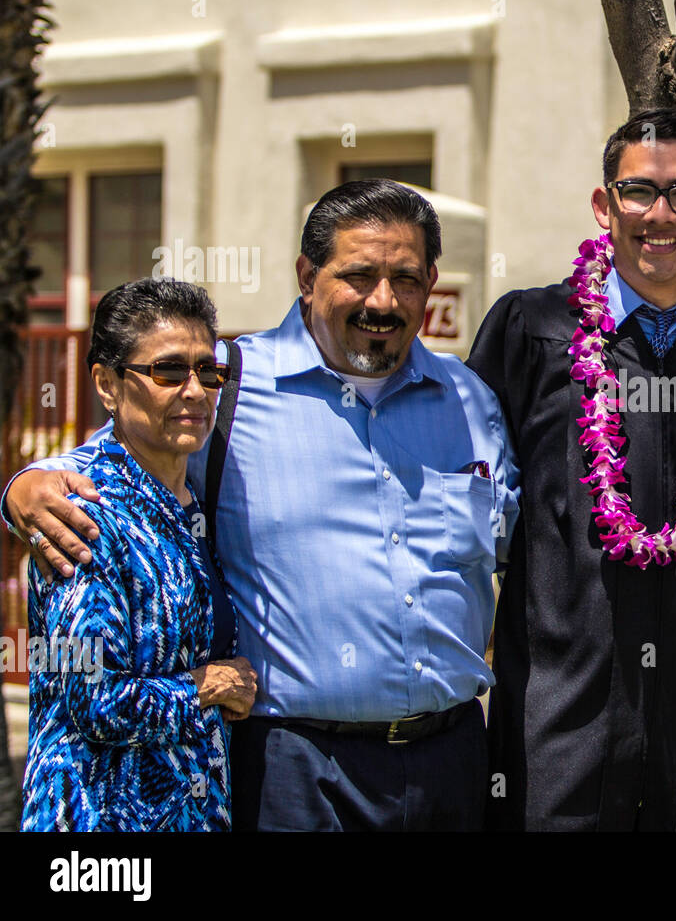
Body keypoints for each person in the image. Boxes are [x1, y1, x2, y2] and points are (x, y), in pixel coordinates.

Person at [5, 180, 520, 831]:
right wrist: (23, 486)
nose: (383, 301)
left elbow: (521, 542)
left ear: (431, 282)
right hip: (296, 771)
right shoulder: (224, 383)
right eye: (359, 276)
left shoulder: (470, 401)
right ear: (307, 276)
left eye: (406, 279)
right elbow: (117, 455)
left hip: (452, 763)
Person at [467, 108, 676, 830]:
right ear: (604, 204)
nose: (661, 213)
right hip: (561, 720)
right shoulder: (531, 332)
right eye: (639, 190)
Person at [22, 277, 257, 831]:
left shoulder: (189, 499)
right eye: (168, 371)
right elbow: (95, 699)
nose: (195, 390)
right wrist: (210, 685)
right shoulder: (85, 513)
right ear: (107, 385)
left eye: (208, 371)